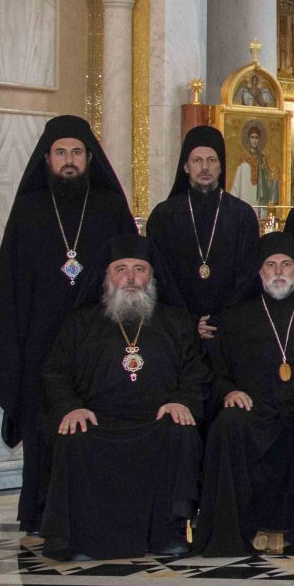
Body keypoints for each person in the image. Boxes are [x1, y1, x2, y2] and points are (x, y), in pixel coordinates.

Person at [0, 116, 136, 536]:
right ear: (47, 159)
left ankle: (101, 505)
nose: (69, 161)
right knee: (44, 424)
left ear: (89, 158)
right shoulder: (29, 209)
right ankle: (40, 509)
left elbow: (134, 272)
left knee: (100, 421)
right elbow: (7, 278)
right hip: (40, 339)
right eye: (60, 153)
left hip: (100, 339)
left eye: (76, 153)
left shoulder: (109, 207)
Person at [36, 236, 206, 561]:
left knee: (181, 431)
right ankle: (81, 537)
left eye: (139, 269)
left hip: (156, 419)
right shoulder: (80, 323)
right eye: (121, 269)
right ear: (107, 277)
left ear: (151, 277)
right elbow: (54, 373)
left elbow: (197, 372)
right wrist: (71, 408)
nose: (130, 277)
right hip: (98, 420)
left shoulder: (176, 322)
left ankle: (168, 533)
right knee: (74, 437)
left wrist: (182, 400)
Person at [193, 233, 294, 556]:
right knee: (228, 424)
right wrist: (230, 391)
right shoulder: (235, 318)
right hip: (254, 410)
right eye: (271, 265)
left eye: (287, 264)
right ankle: (228, 537)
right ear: (259, 272)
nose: (279, 271)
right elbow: (216, 371)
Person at [149, 126, 260, 340]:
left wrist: (220, 319)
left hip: (229, 330)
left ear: (221, 166)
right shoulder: (164, 216)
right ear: (186, 167)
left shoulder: (242, 215)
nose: (205, 167)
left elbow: (247, 276)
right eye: (197, 160)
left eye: (212, 160)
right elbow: (160, 276)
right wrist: (188, 321)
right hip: (177, 330)